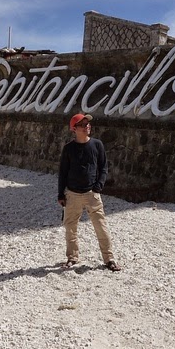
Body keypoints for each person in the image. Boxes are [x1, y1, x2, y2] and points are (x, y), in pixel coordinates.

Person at [57, 113, 122, 271]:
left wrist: (98, 186)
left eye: (88, 123)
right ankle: (72, 257)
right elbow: (63, 172)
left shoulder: (97, 145)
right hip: (72, 194)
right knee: (70, 228)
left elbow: (103, 167)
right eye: (83, 124)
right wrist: (60, 194)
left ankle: (109, 259)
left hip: (92, 194)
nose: (87, 126)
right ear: (74, 129)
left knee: (101, 226)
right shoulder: (68, 149)